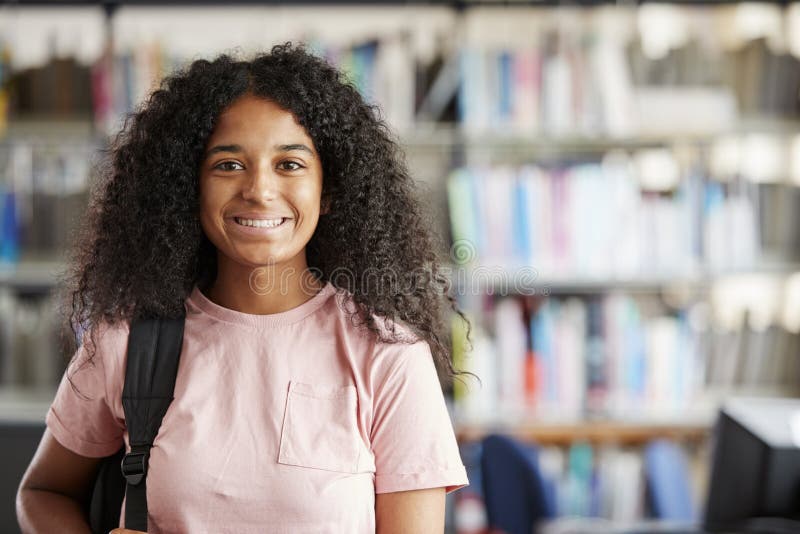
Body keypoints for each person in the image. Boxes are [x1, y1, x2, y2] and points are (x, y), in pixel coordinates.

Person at [16, 42, 471, 533]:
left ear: (331, 189)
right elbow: (43, 493)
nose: (258, 189)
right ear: (188, 187)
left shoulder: (390, 356)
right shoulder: (127, 340)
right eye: (228, 164)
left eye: (290, 164)